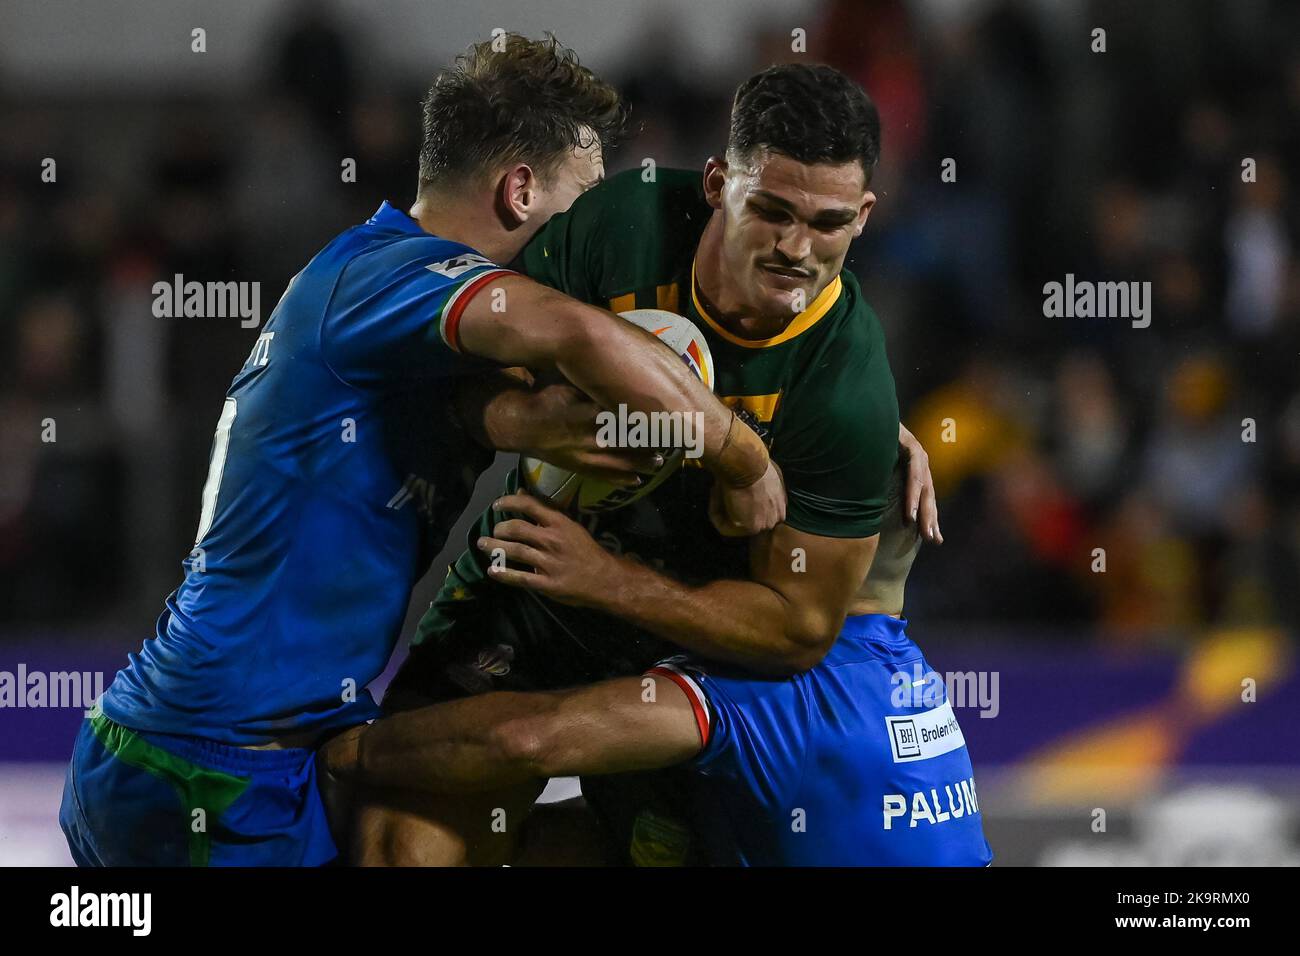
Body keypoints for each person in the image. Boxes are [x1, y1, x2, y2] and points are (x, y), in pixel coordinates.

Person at [58, 34, 782, 867]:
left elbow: (548, 399)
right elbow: (576, 333)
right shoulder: (386, 278)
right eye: (579, 200)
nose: (587, 231)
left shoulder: (418, 332)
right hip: (201, 770)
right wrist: (744, 457)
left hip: (257, 758)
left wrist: (864, 436)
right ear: (519, 189)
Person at [352, 62, 944, 865]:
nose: (796, 250)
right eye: (770, 211)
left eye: (829, 223)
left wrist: (607, 579)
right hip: (534, 583)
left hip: (691, 648)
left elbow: (798, 631)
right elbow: (445, 377)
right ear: (714, 184)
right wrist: (522, 419)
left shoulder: (848, 390)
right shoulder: (621, 228)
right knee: (401, 847)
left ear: (865, 216)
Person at [324, 451, 991, 865]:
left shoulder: (779, 691)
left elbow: (527, 738)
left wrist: (344, 751)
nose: (754, 521)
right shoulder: (897, 669)